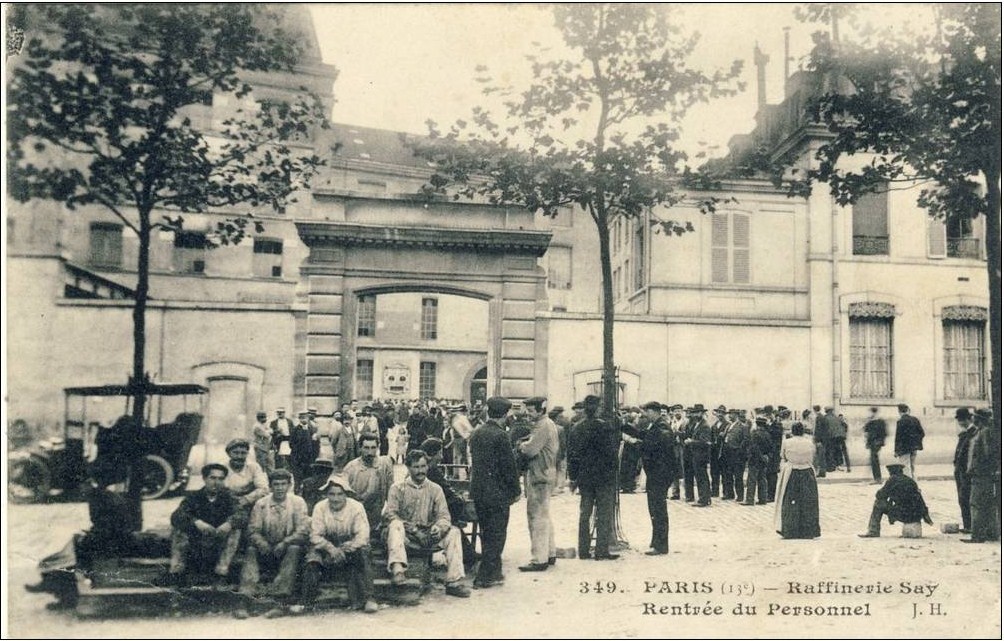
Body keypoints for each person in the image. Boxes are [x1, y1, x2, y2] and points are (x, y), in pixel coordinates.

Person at [383, 450, 470, 598]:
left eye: (423, 466)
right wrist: (414, 530)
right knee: (395, 525)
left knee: (454, 532)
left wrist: (439, 527)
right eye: (416, 467)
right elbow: (390, 514)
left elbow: (444, 516)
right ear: (408, 468)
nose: (420, 471)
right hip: (406, 536)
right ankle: (398, 570)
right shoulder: (397, 488)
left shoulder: (435, 489)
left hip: (428, 534)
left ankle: (453, 581)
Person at [235, 469, 309, 619]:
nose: (280, 488)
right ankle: (244, 600)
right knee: (251, 550)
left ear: (289, 486)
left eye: (283, 484)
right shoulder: (261, 504)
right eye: (276, 484)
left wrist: (285, 542)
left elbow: (303, 530)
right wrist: (262, 543)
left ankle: (279, 602)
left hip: (289, 548)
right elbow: (252, 529)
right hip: (267, 549)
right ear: (270, 486)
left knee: (294, 549)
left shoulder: (297, 502)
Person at [302, 476, 378, 613]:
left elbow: (363, 534)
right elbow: (315, 535)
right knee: (312, 559)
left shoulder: (356, 507)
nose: (335, 499)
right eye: (331, 494)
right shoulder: (320, 507)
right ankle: (305, 602)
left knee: (363, 552)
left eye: (339, 494)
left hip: (350, 545)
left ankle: (369, 598)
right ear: (327, 495)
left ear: (346, 495)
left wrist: (349, 547)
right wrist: (330, 548)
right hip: (326, 545)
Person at [468, 396, 521, 589]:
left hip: (479, 491)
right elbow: (509, 467)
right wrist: (515, 490)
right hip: (497, 493)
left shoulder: (477, 432)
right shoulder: (501, 436)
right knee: (497, 534)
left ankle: (495, 571)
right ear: (505, 415)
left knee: (486, 531)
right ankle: (484, 576)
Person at [167, 463, 240, 585]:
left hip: (219, 542)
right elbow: (177, 516)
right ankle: (176, 570)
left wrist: (229, 523)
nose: (216, 482)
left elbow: (241, 514)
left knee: (235, 530)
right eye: (212, 478)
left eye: (220, 479)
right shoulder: (194, 497)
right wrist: (197, 522)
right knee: (178, 530)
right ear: (205, 479)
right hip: (197, 542)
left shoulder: (229, 497)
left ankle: (221, 572)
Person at [566, 395, 620, 560]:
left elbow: (572, 455)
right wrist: (614, 473)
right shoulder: (605, 427)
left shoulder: (576, 428)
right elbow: (611, 454)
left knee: (585, 513)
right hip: (604, 478)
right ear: (597, 408)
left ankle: (583, 550)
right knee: (603, 513)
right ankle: (601, 551)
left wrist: (574, 477)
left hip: (585, 478)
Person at [516, 396, 559, 572]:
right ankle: (549, 553)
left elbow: (531, 449)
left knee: (536, 516)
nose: (528, 413)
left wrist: (521, 446)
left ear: (541, 409)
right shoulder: (547, 423)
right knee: (544, 515)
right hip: (546, 472)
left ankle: (538, 559)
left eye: (531, 410)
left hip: (539, 474)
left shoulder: (542, 425)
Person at [639, 401, 676, 555]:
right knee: (654, 509)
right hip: (656, 474)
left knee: (658, 510)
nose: (645, 415)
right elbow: (646, 437)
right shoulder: (656, 426)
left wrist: (639, 446)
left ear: (654, 411)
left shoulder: (662, 427)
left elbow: (656, 448)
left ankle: (661, 546)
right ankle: (656, 542)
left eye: (646, 412)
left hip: (659, 475)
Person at [858, 463, 934, 538]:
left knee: (878, 503)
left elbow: (880, 495)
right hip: (916, 515)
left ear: (891, 472)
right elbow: (920, 500)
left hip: (904, 514)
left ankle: (873, 531)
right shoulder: (910, 480)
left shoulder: (892, 480)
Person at [773, 422, 820, 539]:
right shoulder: (809, 442)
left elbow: (782, 456)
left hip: (791, 472)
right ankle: (808, 530)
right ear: (803, 431)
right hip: (807, 472)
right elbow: (813, 456)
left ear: (792, 431)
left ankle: (790, 529)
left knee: (790, 501)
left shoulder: (787, 442)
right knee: (808, 501)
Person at [343, 433, 395, 536]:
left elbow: (391, 495)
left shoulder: (384, 465)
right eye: (366, 448)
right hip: (356, 519)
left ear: (377, 448)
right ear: (360, 448)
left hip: (377, 519)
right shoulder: (351, 469)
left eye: (373, 448)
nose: (370, 452)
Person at [963, 408, 1000, 543]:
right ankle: (992, 533)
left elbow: (987, 454)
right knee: (989, 503)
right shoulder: (983, 431)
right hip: (984, 474)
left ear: (979, 419)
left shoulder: (984, 433)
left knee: (976, 503)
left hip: (981, 474)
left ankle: (977, 535)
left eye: (975, 417)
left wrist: (979, 469)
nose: (973, 419)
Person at [952, 407, 977, 533]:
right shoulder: (964, 433)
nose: (960, 422)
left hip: (966, 471)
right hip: (960, 471)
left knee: (966, 498)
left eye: (962, 420)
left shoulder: (973, 432)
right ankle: (967, 524)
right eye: (959, 420)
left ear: (969, 419)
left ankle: (970, 525)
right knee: (962, 498)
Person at [684, 404, 713, 507]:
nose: (696, 414)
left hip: (701, 455)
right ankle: (705, 498)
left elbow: (705, 442)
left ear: (702, 413)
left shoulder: (704, 426)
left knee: (702, 477)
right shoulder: (697, 424)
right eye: (695, 412)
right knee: (700, 476)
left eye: (698, 412)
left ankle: (704, 499)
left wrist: (691, 441)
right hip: (696, 455)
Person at [742, 416, 772, 506]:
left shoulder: (754, 434)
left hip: (754, 459)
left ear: (757, 424)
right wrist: (765, 456)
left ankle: (750, 499)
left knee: (751, 479)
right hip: (764, 459)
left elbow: (754, 447)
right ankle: (762, 499)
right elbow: (770, 447)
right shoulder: (767, 434)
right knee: (762, 479)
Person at [720, 409, 748, 501]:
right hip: (727, 452)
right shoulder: (728, 425)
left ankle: (740, 495)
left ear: (736, 415)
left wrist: (739, 450)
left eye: (731, 414)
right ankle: (729, 493)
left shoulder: (743, 426)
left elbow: (745, 440)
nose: (729, 416)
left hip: (737, 454)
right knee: (728, 474)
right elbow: (725, 436)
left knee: (738, 475)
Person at [289, 410, 319, 490]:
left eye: (305, 418)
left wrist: (314, 456)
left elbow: (316, 445)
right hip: (298, 459)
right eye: (302, 418)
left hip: (309, 459)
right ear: (299, 419)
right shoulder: (295, 430)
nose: (304, 420)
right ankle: (297, 492)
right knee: (298, 479)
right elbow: (291, 444)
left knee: (308, 479)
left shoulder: (312, 429)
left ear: (308, 418)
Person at [894, 404, 925, 478]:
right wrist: (916, 442)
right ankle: (914, 484)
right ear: (908, 410)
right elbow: (922, 433)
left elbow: (898, 438)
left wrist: (896, 450)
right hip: (914, 448)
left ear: (899, 412)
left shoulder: (900, 421)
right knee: (912, 467)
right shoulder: (915, 420)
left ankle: (908, 486)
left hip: (904, 448)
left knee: (905, 468)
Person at [863, 407, 887, 484]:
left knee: (874, 460)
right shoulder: (880, 421)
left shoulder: (872, 422)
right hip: (877, 443)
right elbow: (884, 433)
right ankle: (877, 478)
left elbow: (867, 433)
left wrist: (868, 442)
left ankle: (877, 478)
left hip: (874, 443)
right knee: (874, 460)